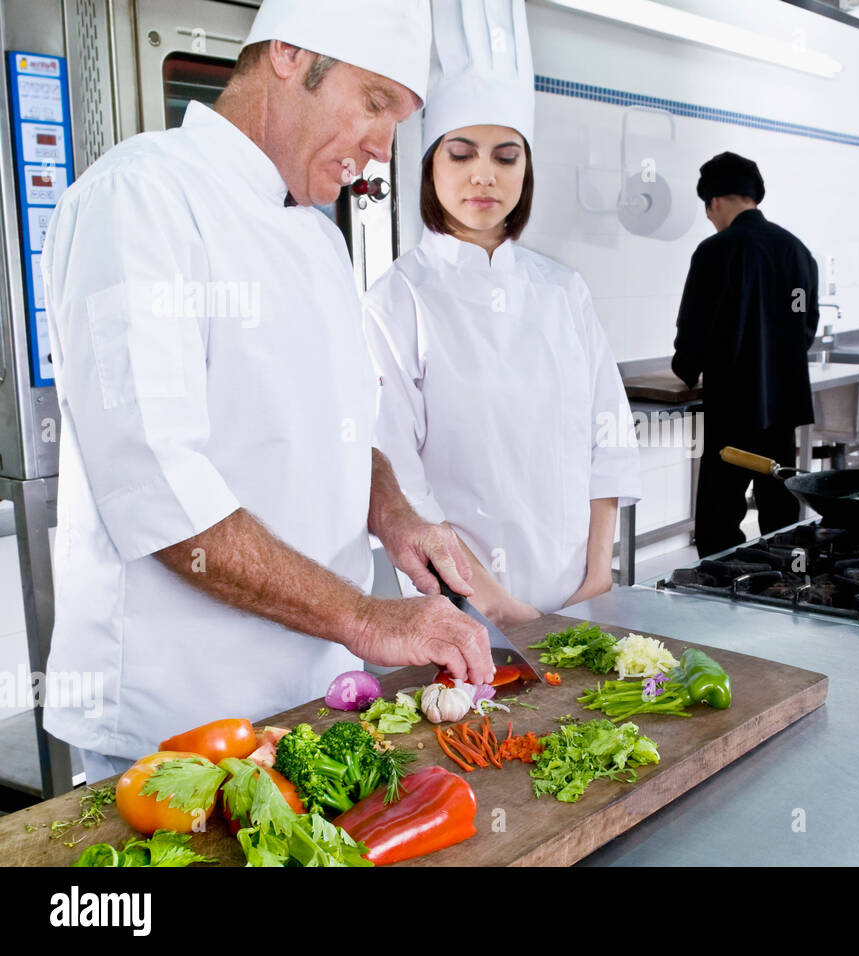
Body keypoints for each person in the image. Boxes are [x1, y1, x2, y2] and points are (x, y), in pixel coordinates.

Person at [41, 0, 492, 784]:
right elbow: (159, 492)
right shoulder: (140, 199)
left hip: (308, 709)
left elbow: (334, 432)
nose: (383, 149)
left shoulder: (317, 235)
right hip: (176, 730)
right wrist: (364, 617)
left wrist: (398, 519)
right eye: (376, 102)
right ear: (288, 53)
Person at [363, 0, 641, 620]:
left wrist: (596, 581)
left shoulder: (564, 291)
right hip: (460, 614)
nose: (482, 176)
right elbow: (400, 483)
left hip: (580, 602)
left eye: (505, 156)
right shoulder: (397, 300)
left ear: (527, 168)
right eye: (460, 154)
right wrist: (503, 613)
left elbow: (609, 442)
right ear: (431, 162)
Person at [672, 152, 819, 558]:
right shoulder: (796, 251)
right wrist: (779, 361)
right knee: (781, 508)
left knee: (719, 519)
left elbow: (695, 326)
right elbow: (803, 321)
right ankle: (785, 591)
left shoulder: (715, 251)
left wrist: (686, 368)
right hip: (781, 404)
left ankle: (722, 598)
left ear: (714, 202)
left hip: (731, 404)